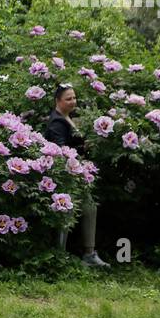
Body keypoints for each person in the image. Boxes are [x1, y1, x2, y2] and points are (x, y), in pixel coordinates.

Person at [43, 84, 110, 268]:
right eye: (68, 99)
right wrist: (79, 158)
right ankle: (60, 255)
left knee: (89, 206)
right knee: (67, 211)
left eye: (74, 98)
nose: (73, 102)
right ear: (58, 101)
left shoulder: (68, 117)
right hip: (64, 174)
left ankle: (89, 254)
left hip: (77, 173)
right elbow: (60, 149)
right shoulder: (57, 122)